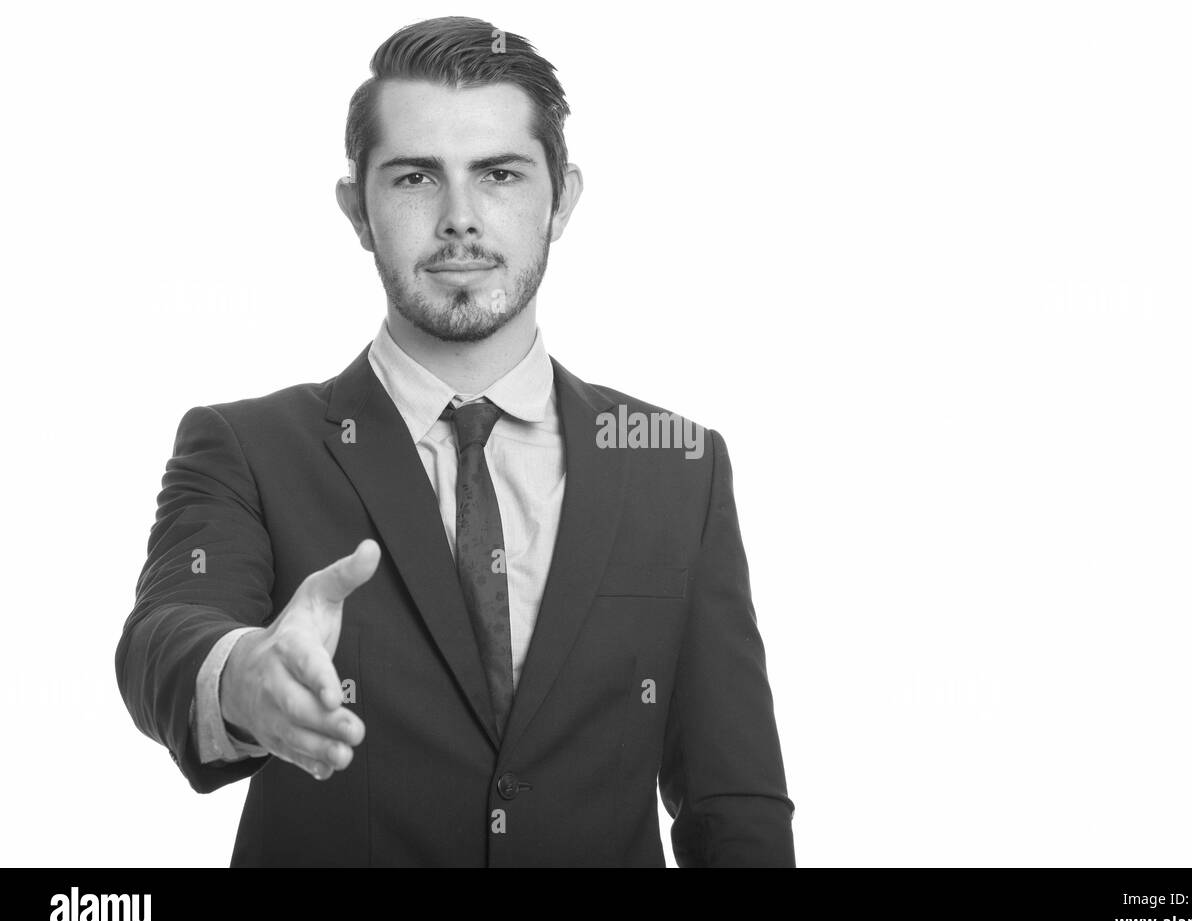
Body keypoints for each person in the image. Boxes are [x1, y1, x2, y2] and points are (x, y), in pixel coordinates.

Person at [116, 15, 794, 867]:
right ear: (356, 209)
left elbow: (734, 804)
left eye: (500, 174)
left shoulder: (675, 463)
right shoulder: (245, 447)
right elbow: (163, 632)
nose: (460, 219)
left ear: (564, 199)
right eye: (414, 178)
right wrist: (241, 671)